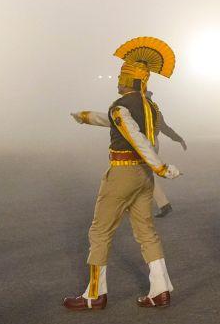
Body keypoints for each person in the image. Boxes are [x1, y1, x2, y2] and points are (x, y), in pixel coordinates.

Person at [64, 36, 182, 310]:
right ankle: (161, 289)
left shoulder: (121, 105)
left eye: (123, 77)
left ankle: (95, 295)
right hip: (143, 177)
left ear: (132, 81)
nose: (119, 81)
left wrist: (161, 167)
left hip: (123, 173)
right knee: (146, 231)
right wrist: (86, 116)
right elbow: (120, 124)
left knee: (100, 231)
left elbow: (134, 136)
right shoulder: (150, 107)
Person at [71, 89, 186, 219]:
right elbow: (165, 128)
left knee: (136, 173)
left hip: (143, 143)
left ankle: (145, 203)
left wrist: (86, 117)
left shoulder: (138, 110)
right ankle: (161, 204)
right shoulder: (154, 111)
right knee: (143, 174)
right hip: (152, 142)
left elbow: (116, 121)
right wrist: (178, 138)